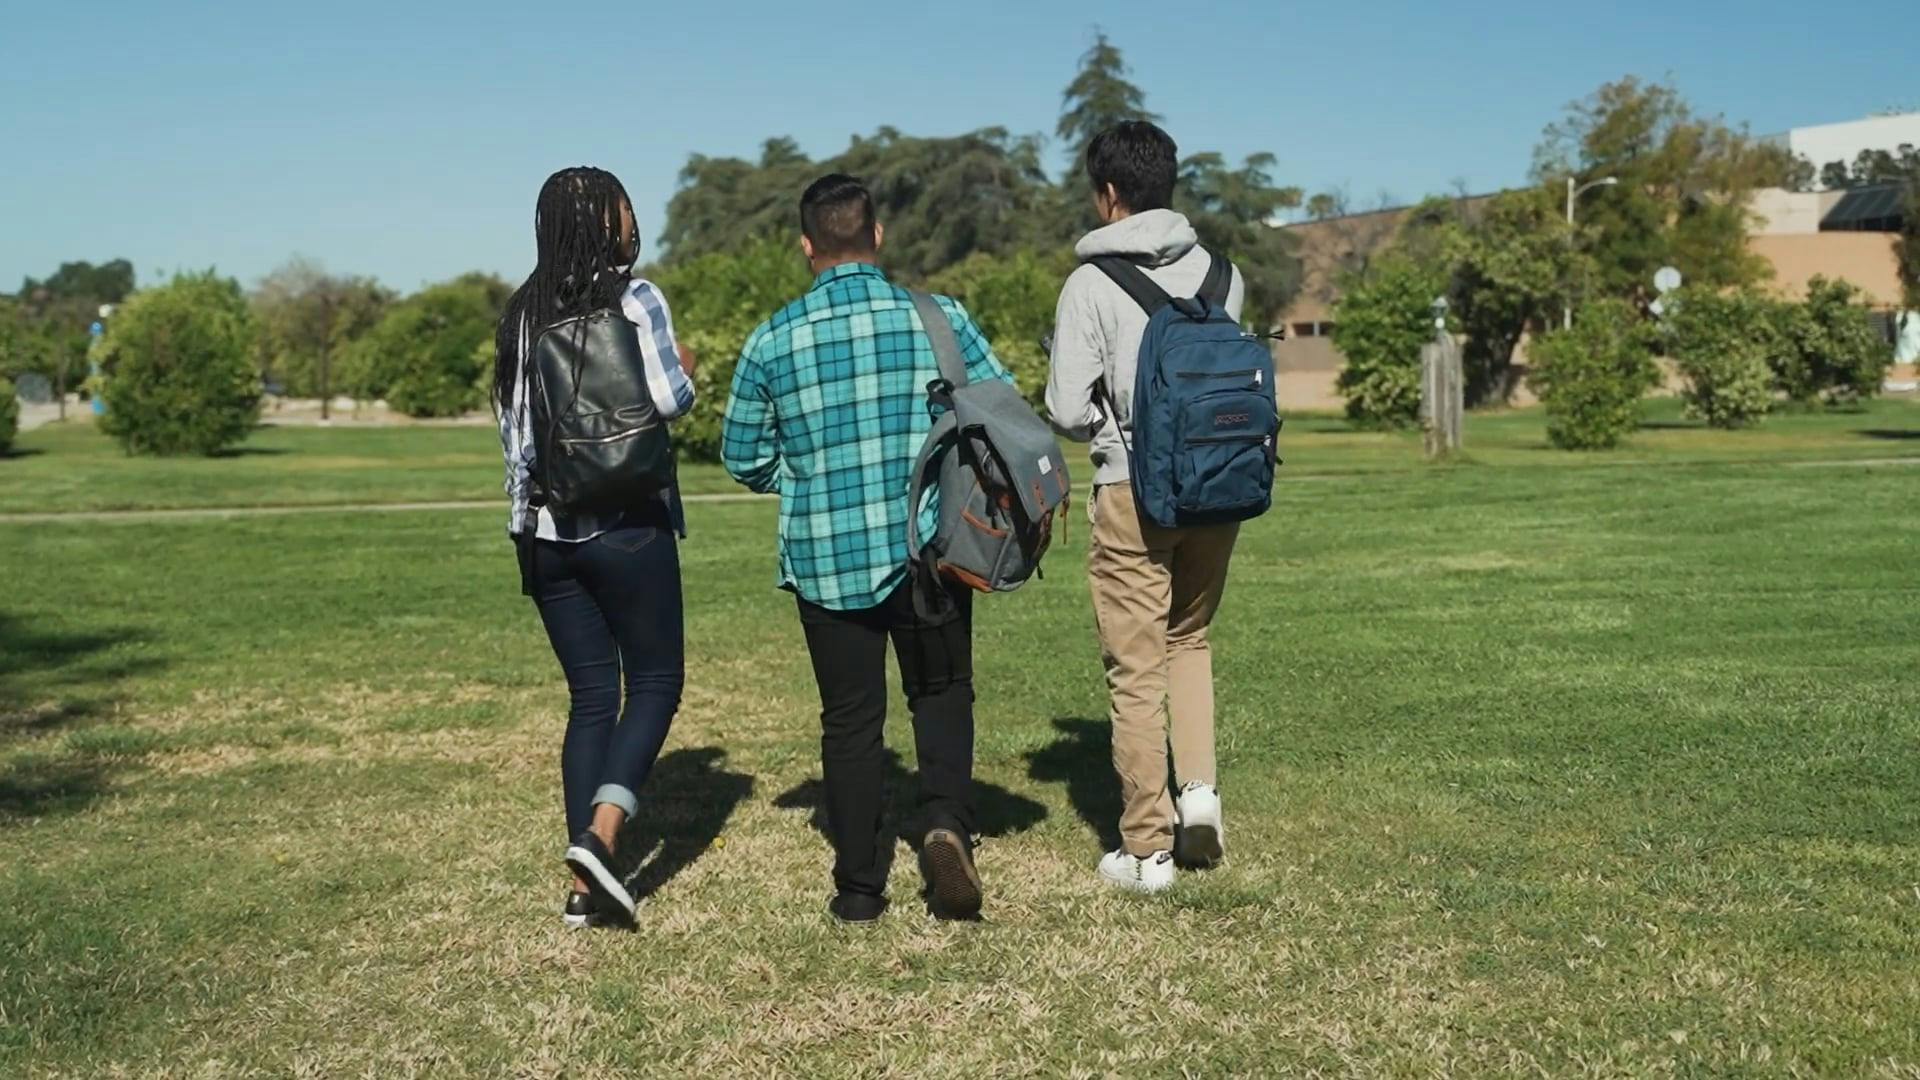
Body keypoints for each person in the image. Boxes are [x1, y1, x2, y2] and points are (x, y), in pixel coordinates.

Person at [721, 174, 1015, 923]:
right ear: (877, 236)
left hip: (826, 557)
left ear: (806, 244)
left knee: (850, 720)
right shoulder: (939, 317)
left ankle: (858, 888)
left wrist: (808, 478)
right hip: (931, 548)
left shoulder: (772, 337)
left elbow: (741, 456)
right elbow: (1001, 405)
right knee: (941, 693)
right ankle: (945, 822)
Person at [1044, 122, 1247, 893]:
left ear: (1108, 194)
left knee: (1134, 669)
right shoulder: (1224, 275)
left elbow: (1065, 407)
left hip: (1132, 488)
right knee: (1188, 639)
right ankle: (1199, 794)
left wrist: (1112, 429)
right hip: (1220, 485)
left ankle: (1146, 850)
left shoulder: (1091, 285)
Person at [495, 166, 696, 928]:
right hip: (627, 525)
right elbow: (671, 399)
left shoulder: (518, 313)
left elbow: (515, 442)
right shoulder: (634, 298)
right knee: (653, 683)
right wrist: (686, 375)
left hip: (546, 536)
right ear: (605, 224)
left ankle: (585, 893)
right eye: (623, 210)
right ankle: (601, 842)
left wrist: (529, 526)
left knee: (588, 701)